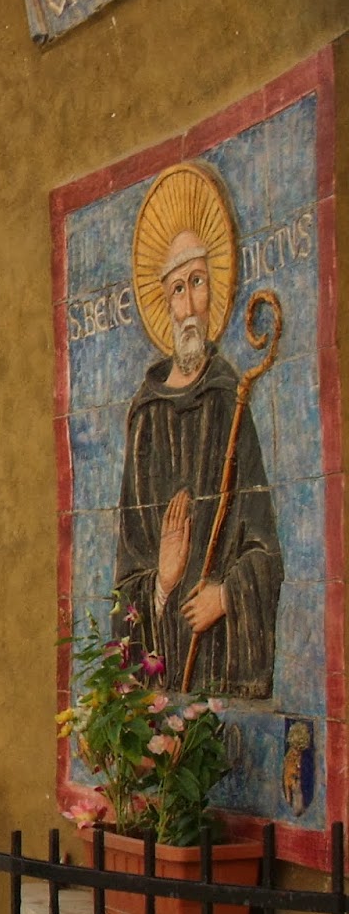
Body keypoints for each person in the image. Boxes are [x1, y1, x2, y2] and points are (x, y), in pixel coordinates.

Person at [113, 219, 282, 698]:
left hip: (221, 657)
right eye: (178, 289)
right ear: (165, 303)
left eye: (198, 282)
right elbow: (127, 574)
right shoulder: (146, 417)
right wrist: (163, 583)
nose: (188, 305)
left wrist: (226, 595)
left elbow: (265, 547)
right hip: (167, 658)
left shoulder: (231, 401)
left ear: (215, 290)